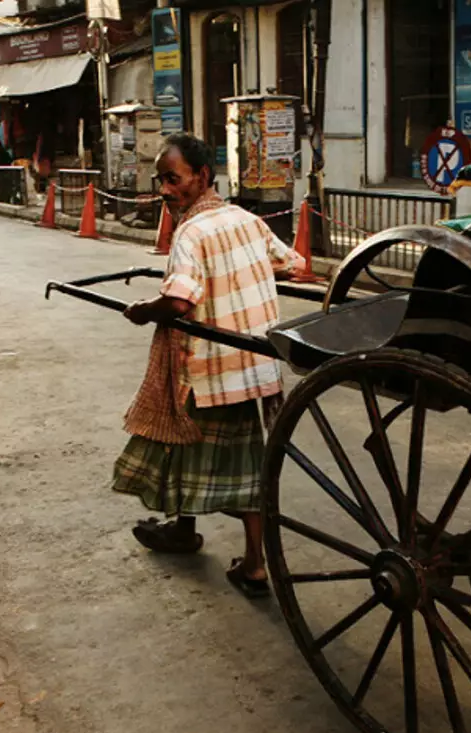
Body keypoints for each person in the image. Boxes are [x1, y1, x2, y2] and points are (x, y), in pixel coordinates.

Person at [113, 132, 303, 598]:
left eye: (173, 179)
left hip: (210, 371)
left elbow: (178, 302)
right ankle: (184, 530)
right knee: (212, 458)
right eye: (160, 180)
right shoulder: (244, 219)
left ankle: (256, 564)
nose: (164, 189)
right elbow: (292, 263)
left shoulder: (191, 232)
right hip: (254, 368)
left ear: (201, 177)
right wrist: (241, 273)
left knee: (220, 468)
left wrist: (143, 311)